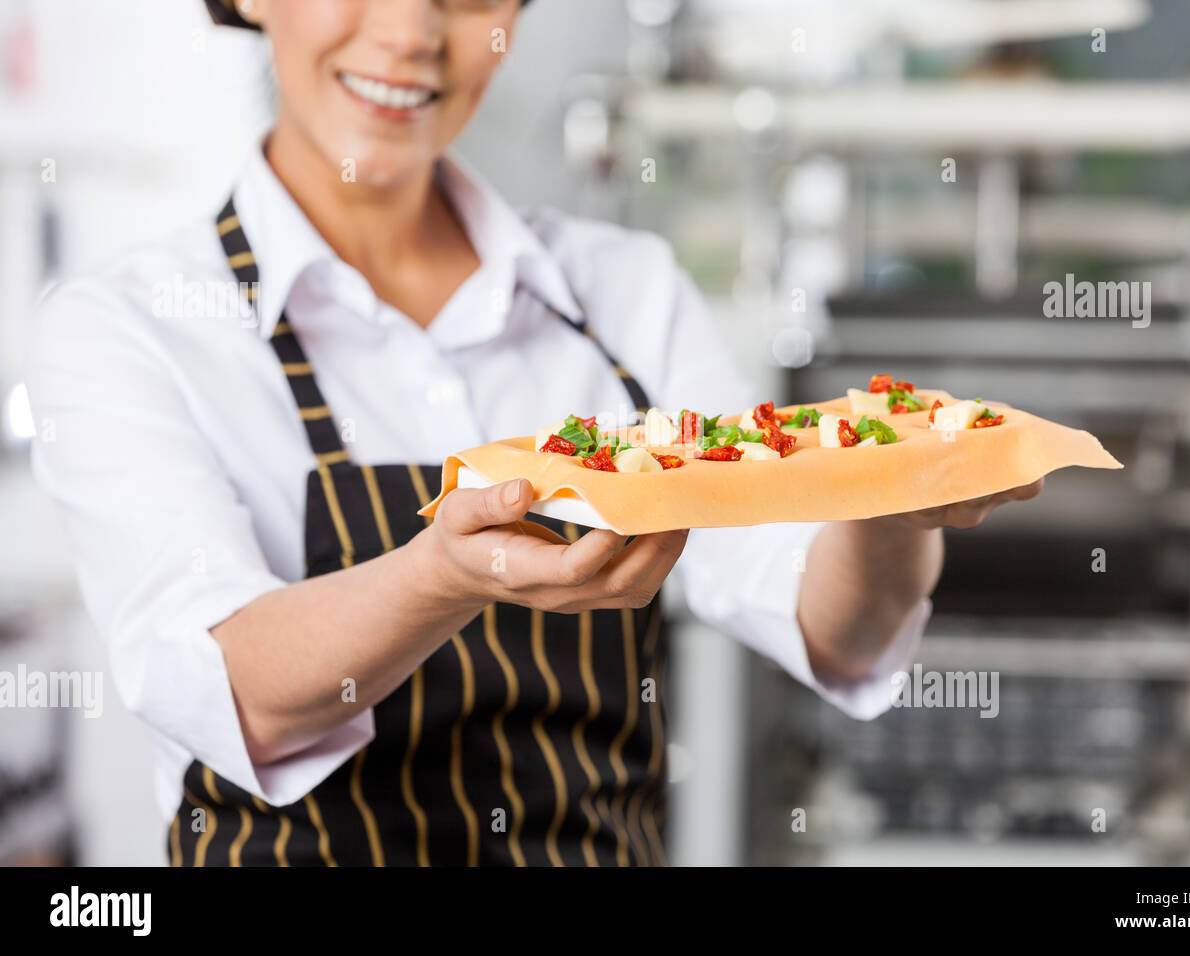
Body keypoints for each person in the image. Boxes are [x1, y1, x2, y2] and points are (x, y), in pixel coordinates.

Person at [25, 0, 1041, 866]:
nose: (414, 32)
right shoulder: (131, 327)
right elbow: (230, 688)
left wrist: (888, 507)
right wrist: (442, 575)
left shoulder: (623, 294)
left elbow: (834, 627)